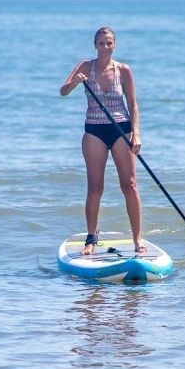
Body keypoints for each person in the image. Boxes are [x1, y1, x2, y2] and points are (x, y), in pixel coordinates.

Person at [60, 26, 144, 255]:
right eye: (101, 43)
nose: (105, 47)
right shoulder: (85, 66)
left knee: (130, 185)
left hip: (121, 130)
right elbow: (63, 91)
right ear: (95, 45)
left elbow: (133, 105)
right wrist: (76, 82)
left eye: (109, 43)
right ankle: (90, 239)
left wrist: (136, 133)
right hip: (94, 131)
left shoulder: (124, 70)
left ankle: (137, 240)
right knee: (95, 187)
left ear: (114, 45)